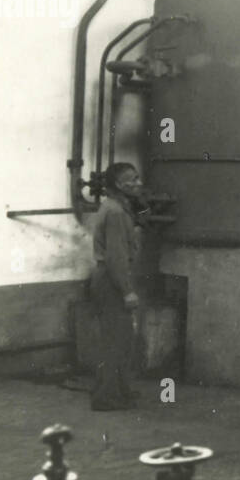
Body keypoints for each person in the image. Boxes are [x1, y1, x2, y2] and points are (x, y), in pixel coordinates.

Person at [89, 162, 146, 410]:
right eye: (130, 181)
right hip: (111, 279)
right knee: (115, 340)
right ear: (117, 186)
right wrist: (127, 290)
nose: (137, 184)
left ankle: (120, 391)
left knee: (121, 339)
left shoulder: (116, 208)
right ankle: (106, 397)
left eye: (137, 178)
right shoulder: (115, 212)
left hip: (111, 276)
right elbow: (116, 257)